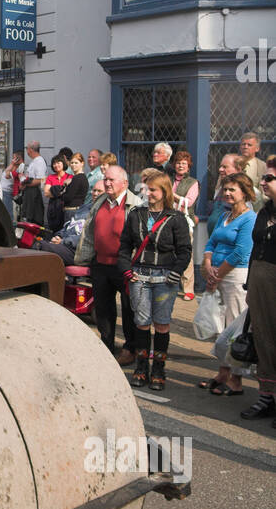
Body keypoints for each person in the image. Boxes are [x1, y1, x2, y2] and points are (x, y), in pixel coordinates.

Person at [118, 172, 191, 390]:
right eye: (146, 189)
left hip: (165, 278)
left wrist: (176, 272)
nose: (148, 193)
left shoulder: (176, 218)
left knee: (161, 323)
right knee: (141, 322)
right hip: (139, 276)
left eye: (153, 190)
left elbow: (185, 251)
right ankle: (141, 368)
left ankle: (158, 370)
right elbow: (124, 246)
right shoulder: (135, 214)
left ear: (164, 192)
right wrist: (126, 270)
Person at [74, 165, 142, 363]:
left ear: (125, 183)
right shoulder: (100, 202)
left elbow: (140, 239)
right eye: (106, 179)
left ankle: (130, 348)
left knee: (130, 309)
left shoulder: (135, 204)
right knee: (103, 309)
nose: (108, 183)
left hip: (125, 266)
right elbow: (88, 231)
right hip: (101, 264)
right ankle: (106, 344)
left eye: (112, 180)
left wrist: (134, 266)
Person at [198, 173, 256, 396]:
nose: (227, 193)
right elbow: (211, 241)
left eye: (233, 189)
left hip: (234, 277)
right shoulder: (225, 215)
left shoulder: (249, 219)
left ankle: (236, 379)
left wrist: (217, 275)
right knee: (220, 328)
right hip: (218, 274)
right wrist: (206, 262)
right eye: (225, 189)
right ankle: (222, 373)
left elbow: (241, 251)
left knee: (235, 329)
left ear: (245, 192)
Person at [239, 166, 276, 424]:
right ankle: (266, 398)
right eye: (263, 177)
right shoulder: (264, 211)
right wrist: (250, 284)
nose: (263, 182)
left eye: (270, 178)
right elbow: (256, 248)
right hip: (261, 280)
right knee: (263, 338)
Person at [41, 179, 106, 264]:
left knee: (40, 246)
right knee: (34, 243)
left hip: (77, 252)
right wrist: (59, 236)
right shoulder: (84, 207)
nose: (95, 194)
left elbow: (88, 238)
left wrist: (63, 241)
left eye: (99, 191)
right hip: (64, 244)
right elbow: (69, 225)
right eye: (94, 190)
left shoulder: (103, 212)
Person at [172, 150, 199, 299]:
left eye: (184, 163)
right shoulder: (169, 179)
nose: (180, 165)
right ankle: (171, 286)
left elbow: (188, 203)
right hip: (167, 219)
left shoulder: (193, 182)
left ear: (188, 166)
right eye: (178, 162)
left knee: (186, 254)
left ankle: (188, 289)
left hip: (184, 221)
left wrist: (171, 195)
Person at [43, 154, 72, 234]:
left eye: (58, 162)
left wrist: (54, 191)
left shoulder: (70, 177)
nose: (56, 165)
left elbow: (70, 193)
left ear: (63, 163)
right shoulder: (50, 177)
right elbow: (46, 193)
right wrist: (62, 192)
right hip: (53, 209)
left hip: (65, 208)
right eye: (54, 163)